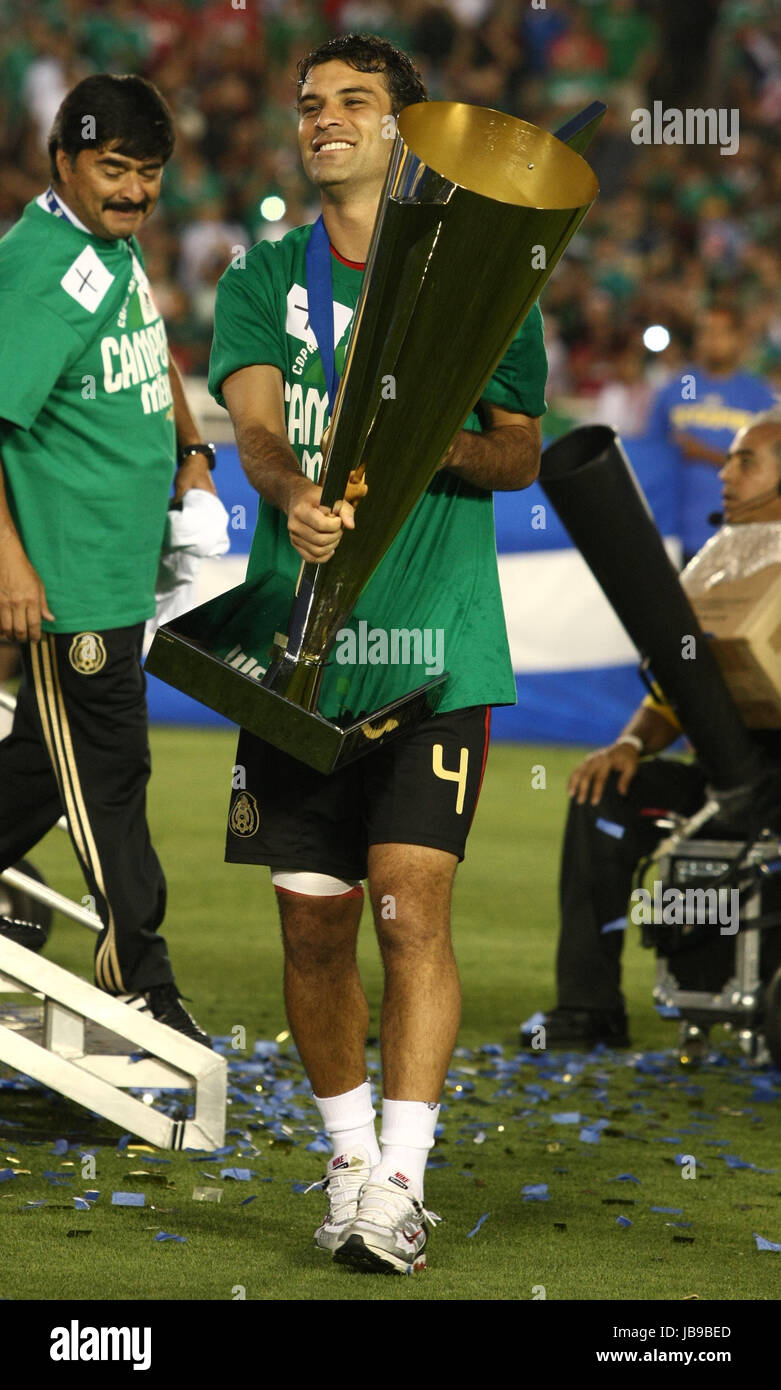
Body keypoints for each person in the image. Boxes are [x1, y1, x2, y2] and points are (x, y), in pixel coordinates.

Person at [208, 33, 547, 1273]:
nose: (324, 118)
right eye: (310, 103)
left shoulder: (485, 278)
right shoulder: (259, 275)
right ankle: (347, 1160)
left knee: (410, 908)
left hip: (436, 647)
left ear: (407, 129)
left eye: (355, 101)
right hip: (297, 651)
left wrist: (432, 449)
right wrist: (295, 486)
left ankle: (401, 1182)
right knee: (312, 931)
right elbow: (251, 425)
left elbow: (520, 447)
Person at [0, 74, 216, 1047]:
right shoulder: (41, 267)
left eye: (149, 173)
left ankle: (140, 975)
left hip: (117, 578)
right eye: (114, 170)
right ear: (64, 163)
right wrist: (9, 564)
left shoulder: (110, 249)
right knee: (112, 773)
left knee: (48, 773)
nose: (134, 191)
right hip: (68, 586)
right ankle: (141, 983)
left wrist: (194, 457)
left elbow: (152, 347)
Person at [530, 412, 781, 1050]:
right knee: (605, 796)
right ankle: (588, 1009)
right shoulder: (717, 564)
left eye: (745, 461)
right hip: (728, 783)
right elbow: (678, 688)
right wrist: (631, 743)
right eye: (727, 459)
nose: (724, 474)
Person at [643, 304, 776, 560]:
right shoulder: (673, 390)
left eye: (721, 332)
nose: (712, 340)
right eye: (705, 331)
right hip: (672, 532)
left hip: (737, 533)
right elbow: (650, 456)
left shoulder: (760, 398)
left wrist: (702, 453)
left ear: (738, 338)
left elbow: (770, 471)